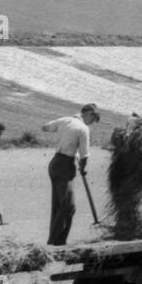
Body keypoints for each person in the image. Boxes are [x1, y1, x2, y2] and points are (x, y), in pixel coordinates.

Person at [41, 103, 100, 246]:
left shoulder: (65, 120)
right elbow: (85, 155)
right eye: (93, 118)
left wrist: (65, 138)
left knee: (59, 204)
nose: (92, 122)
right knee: (69, 206)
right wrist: (82, 167)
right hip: (65, 165)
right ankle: (56, 241)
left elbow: (45, 127)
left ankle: (57, 239)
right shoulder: (83, 128)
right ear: (88, 114)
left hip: (54, 163)